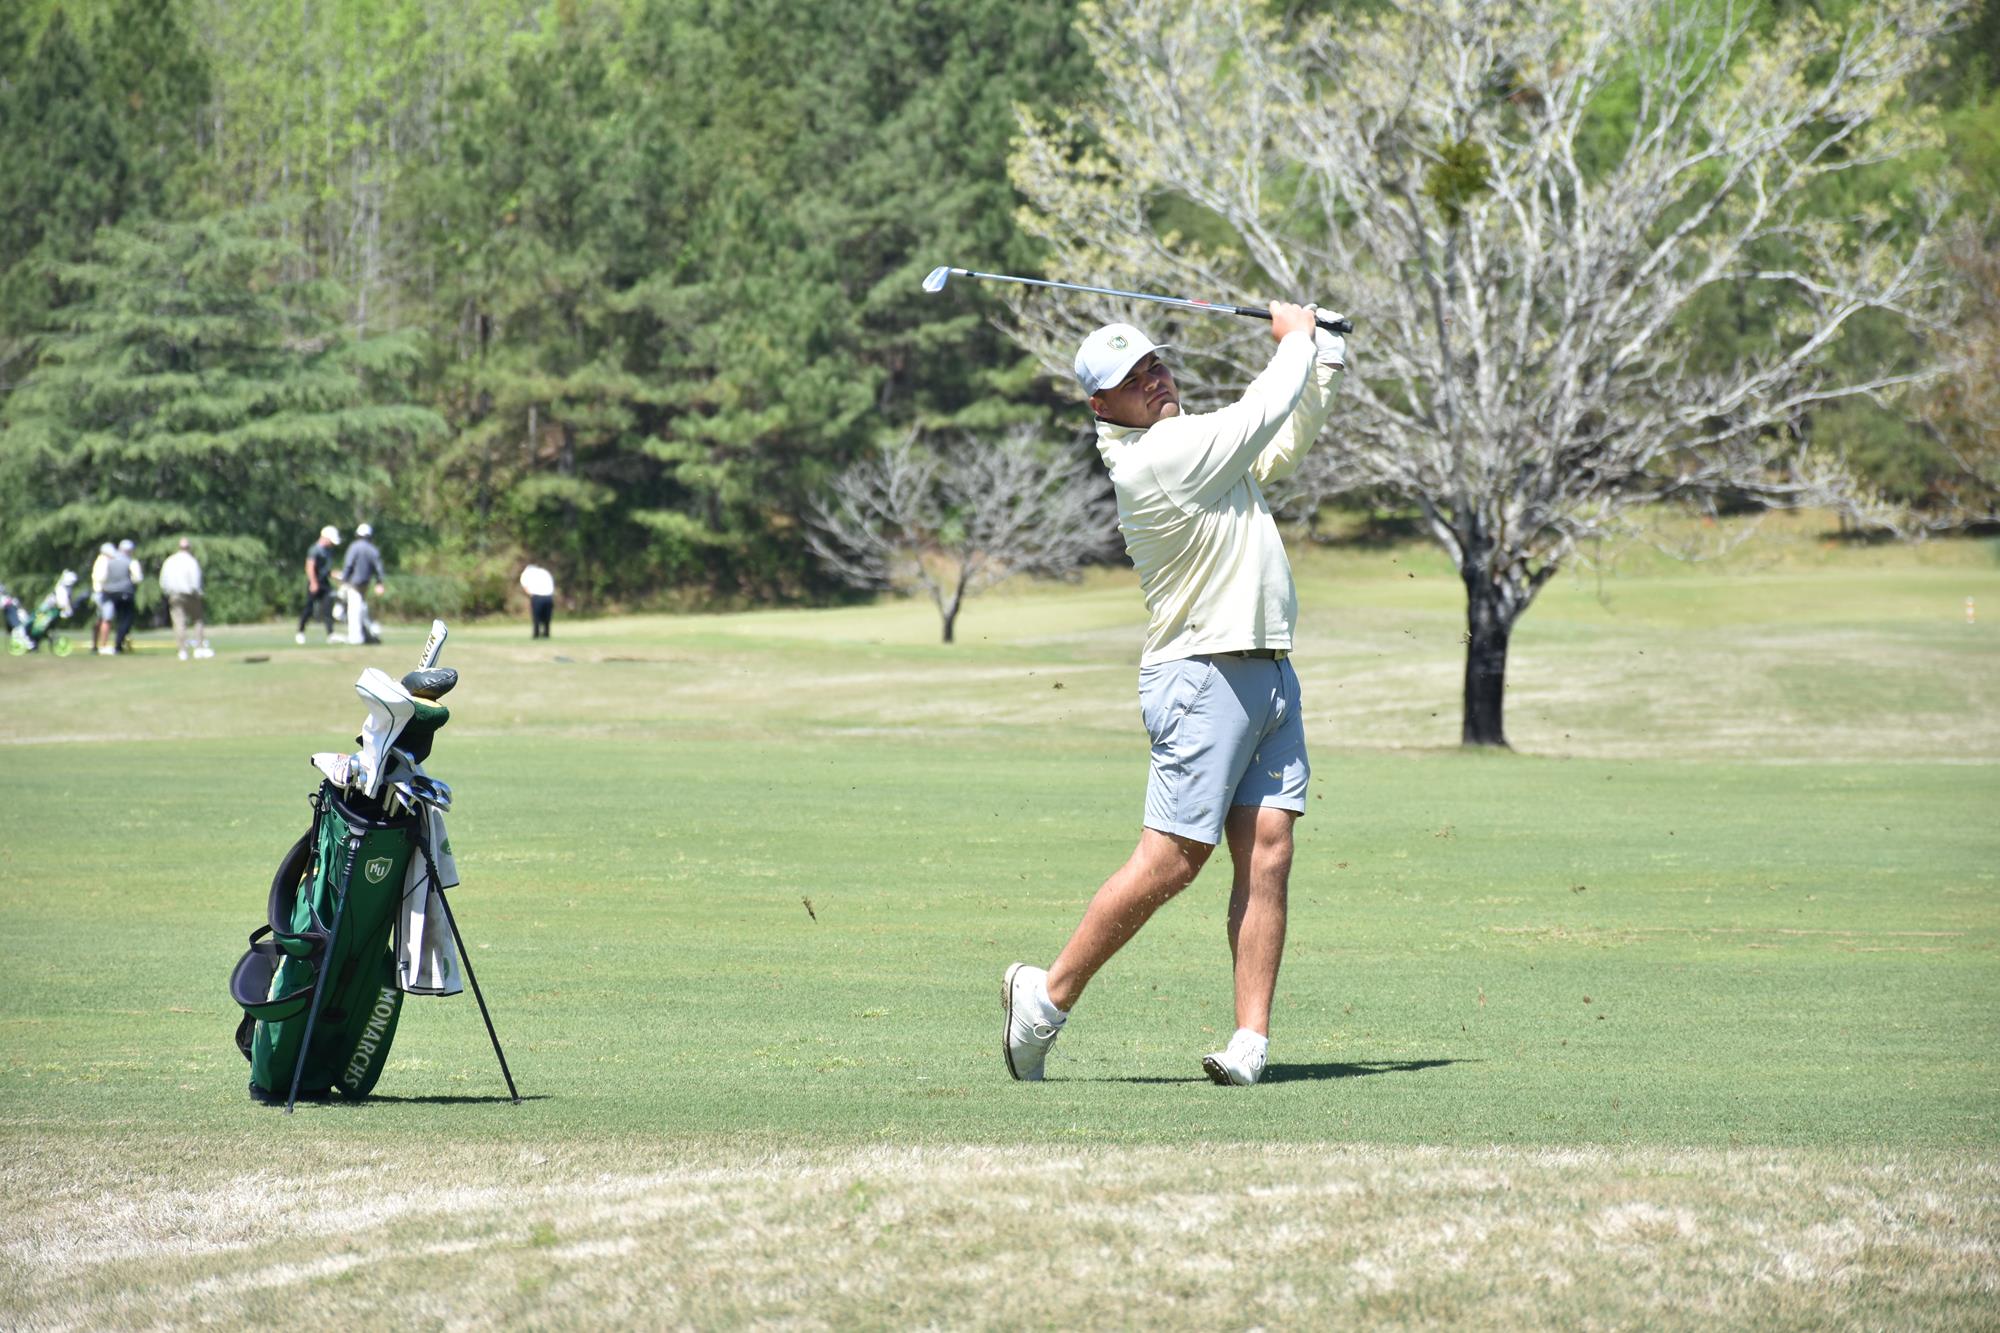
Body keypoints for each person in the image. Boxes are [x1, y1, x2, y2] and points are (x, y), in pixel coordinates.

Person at [1002, 302, 1346, 1087]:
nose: (1154, 381)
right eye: (1132, 379)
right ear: (1102, 406)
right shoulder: (1158, 456)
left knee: (1269, 854)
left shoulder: (1195, 450)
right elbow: (1261, 411)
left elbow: (1280, 444)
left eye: (1154, 365)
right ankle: (1044, 999)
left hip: (1265, 671)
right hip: (1201, 674)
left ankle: (1249, 1042)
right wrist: (1294, 338)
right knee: (1174, 861)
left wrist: (1321, 361)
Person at [158, 537, 211, 660]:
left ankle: (183, 651)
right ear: (189, 547)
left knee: (179, 623)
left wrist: (168, 592)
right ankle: (199, 648)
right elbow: (195, 580)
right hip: (190, 594)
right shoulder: (191, 561)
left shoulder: (170, 561)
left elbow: (163, 581)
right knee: (197, 620)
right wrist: (197, 593)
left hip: (175, 594)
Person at [338, 522, 386, 645]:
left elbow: (348, 565)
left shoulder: (354, 547)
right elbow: (379, 568)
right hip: (365, 584)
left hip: (353, 584)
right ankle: (368, 634)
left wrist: (344, 580)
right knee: (361, 608)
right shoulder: (373, 549)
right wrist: (379, 582)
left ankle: (356, 637)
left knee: (354, 610)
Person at [297, 526, 340, 644]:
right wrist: (313, 582)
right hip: (314, 582)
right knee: (309, 609)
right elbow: (310, 567)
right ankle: (300, 631)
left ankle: (331, 634)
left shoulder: (329, 551)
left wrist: (334, 574)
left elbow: (325, 570)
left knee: (328, 609)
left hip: (324, 582)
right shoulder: (315, 549)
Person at [100, 539, 143, 654]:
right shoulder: (130, 562)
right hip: (125, 593)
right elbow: (137, 578)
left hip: (109, 592)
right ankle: (118, 644)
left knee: (117, 619)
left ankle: (119, 643)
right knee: (126, 620)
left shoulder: (110, 561)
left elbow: (103, 577)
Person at [520, 562, 556, 638]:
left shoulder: (526, 573)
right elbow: (551, 584)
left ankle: (536, 634)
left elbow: (525, 587)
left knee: (537, 617)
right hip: (548, 596)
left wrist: (531, 595)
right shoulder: (544, 571)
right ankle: (546, 633)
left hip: (537, 597)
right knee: (547, 617)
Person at [90, 542, 115, 653]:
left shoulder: (99, 560)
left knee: (100, 620)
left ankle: (95, 645)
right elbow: (102, 577)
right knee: (107, 619)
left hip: (99, 593)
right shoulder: (104, 561)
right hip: (103, 593)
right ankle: (103, 646)